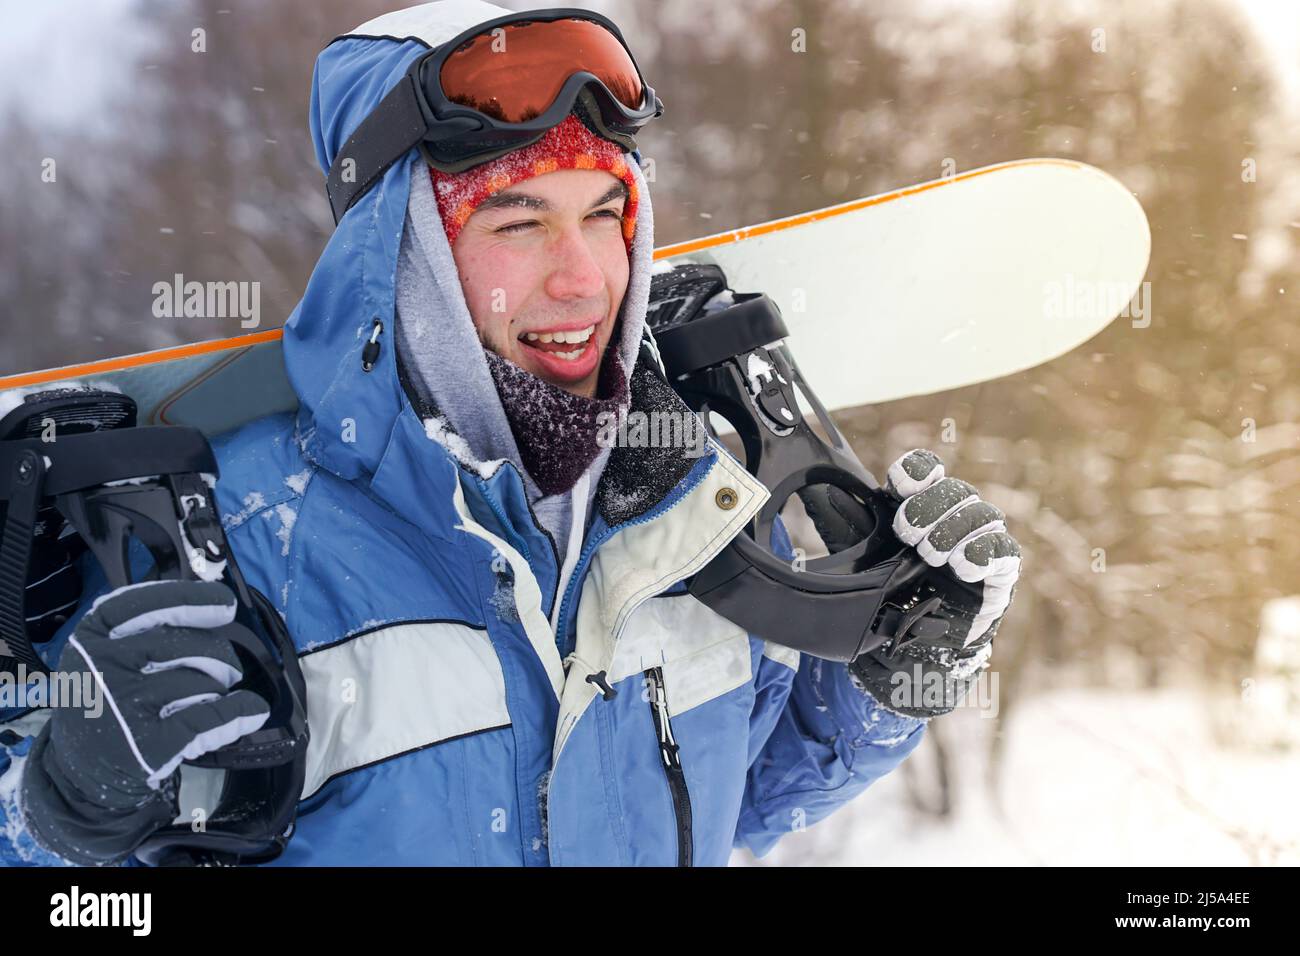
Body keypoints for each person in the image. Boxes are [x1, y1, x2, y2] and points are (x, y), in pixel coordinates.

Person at [0, 0, 1020, 867]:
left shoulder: (693, 497)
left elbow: (739, 796)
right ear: (401, 256)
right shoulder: (237, 548)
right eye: (516, 222)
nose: (581, 276)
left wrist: (884, 680)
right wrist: (61, 813)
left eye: (604, 214)